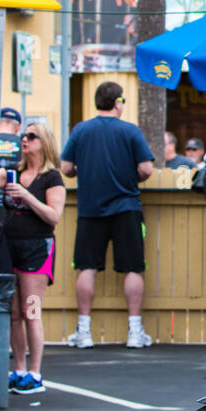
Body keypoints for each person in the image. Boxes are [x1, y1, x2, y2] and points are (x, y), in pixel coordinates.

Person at [60, 81, 154, 349]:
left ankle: (84, 331)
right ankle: (134, 332)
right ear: (117, 103)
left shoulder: (81, 130)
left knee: (87, 267)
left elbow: (65, 168)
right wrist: (131, 175)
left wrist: (83, 170)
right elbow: (146, 170)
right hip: (126, 208)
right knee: (133, 268)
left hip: (90, 209)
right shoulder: (130, 131)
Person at [0, 124, 66, 396]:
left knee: (31, 310)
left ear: (44, 142)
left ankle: (35, 372)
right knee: (14, 313)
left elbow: (54, 216)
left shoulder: (51, 178)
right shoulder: (13, 172)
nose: (25, 140)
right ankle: (19, 369)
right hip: (10, 245)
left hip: (37, 248)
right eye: (23, 136)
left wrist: (26, 195)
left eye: (31, 136)